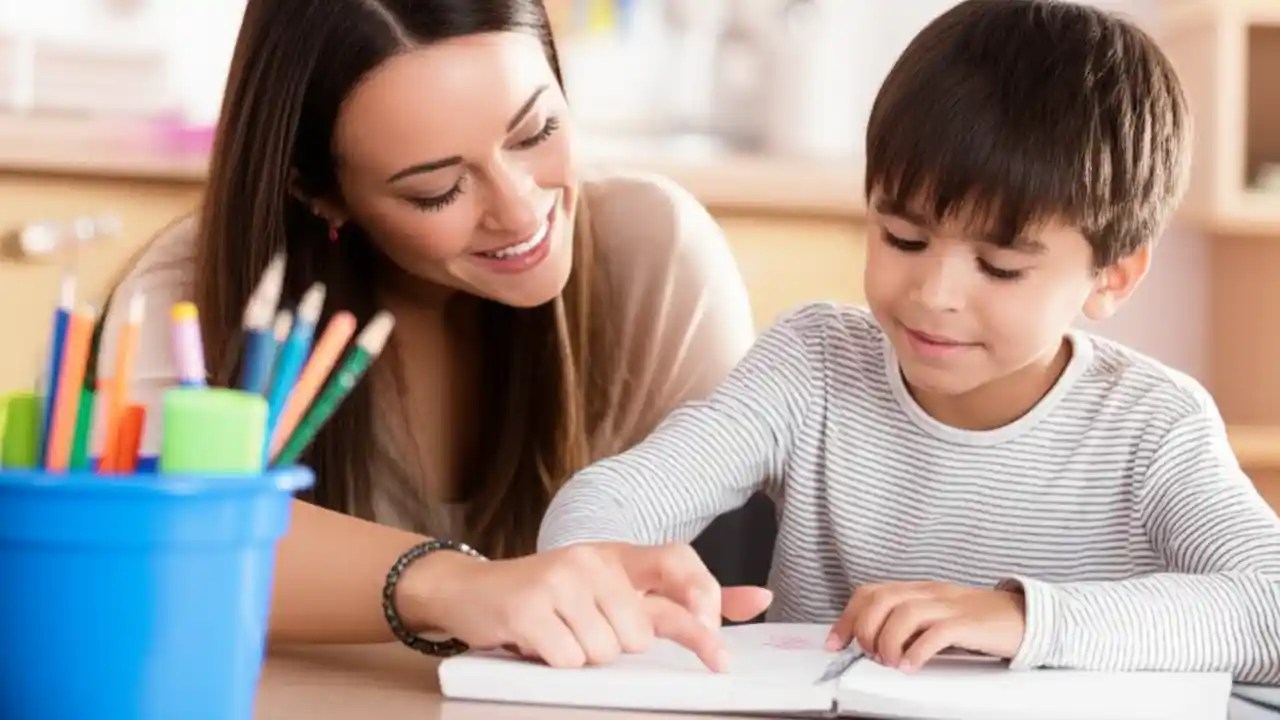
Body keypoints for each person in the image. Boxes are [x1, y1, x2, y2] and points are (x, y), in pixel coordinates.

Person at [538, 0, 1280, 684]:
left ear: (1111, 277)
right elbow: (612, 498)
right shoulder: (813, 364)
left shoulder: (1153, 426)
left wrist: (1023, 620)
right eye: (903, 237)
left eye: (999, 266)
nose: (934, 294)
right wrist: (601, 567)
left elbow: (1271, 609)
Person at [95, 0, 772, 671]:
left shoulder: (658, 259)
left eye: (535, 131)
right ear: (318, 192)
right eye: (439, 190)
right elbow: (144, 548)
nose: (519, 210)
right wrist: (454, 586)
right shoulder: (193, 299)